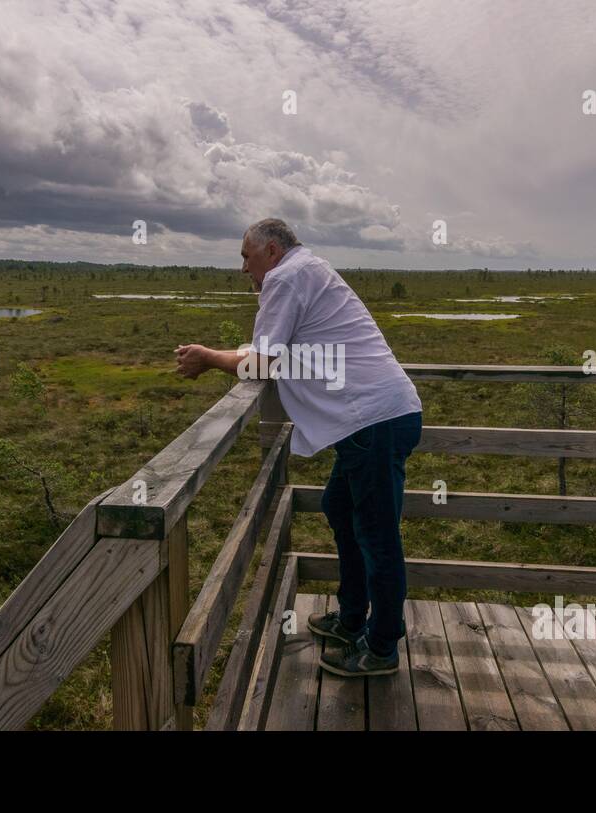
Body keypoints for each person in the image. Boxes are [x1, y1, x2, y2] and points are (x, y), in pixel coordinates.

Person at [174, 218, 422, 676]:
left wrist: (209, 358)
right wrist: (231, 350)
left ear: (271, 251)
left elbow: (262, 366)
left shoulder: (287, 277)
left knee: (377, 537)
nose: (243, 268)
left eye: (247, 258)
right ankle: (351, 619)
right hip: (373, 420)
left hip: (375, 421)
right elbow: (272, 349)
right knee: (338, 507)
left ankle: (383, 646)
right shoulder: (305, 269)